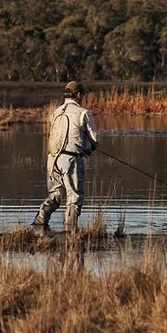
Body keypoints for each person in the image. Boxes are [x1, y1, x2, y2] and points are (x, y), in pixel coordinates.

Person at [32, 80, 98, 233]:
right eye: (83, 95)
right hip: (71, 159)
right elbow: (94, 140)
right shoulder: (83, 113)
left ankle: (38, 225)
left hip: (52, 159)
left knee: (55, 196)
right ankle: (70, 233)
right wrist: (89, 147)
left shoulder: (55, 113)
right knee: (74, 198)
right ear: (79, 95)